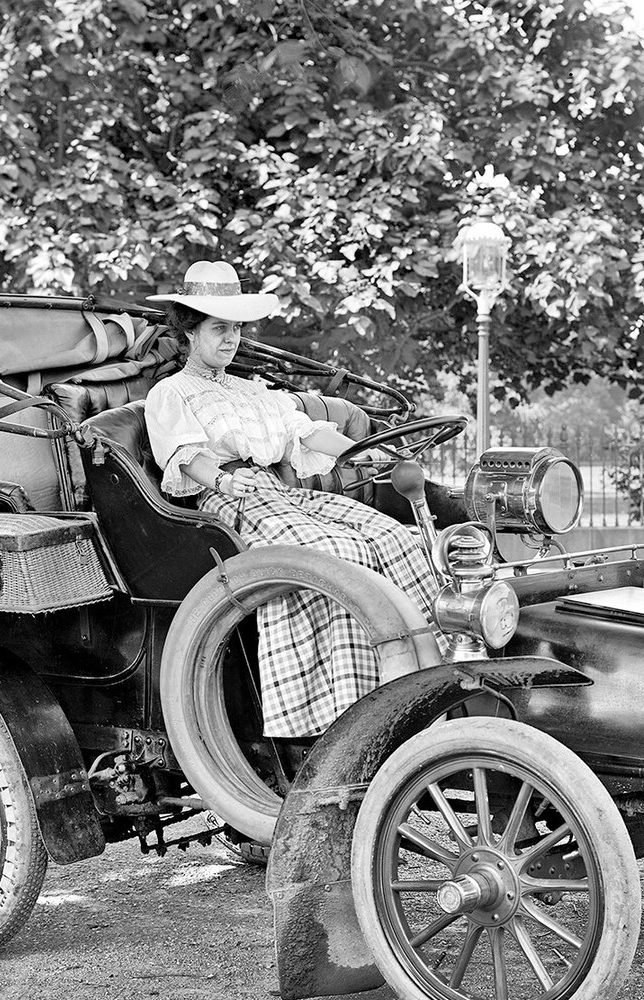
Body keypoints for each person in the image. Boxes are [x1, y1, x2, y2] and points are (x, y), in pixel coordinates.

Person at [144, 261, 441, 739]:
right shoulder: (171, 393)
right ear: (189, 333)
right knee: (336, 557)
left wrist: (368, 451)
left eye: (236, 328)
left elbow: (306, 433)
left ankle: (427, 675)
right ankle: (348, 708)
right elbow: (184, 455)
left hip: (277, 493)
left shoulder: (254, 391)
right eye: (218, 328)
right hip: (224, 504)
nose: (230, 338)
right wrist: (221, 481)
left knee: (393, 536)